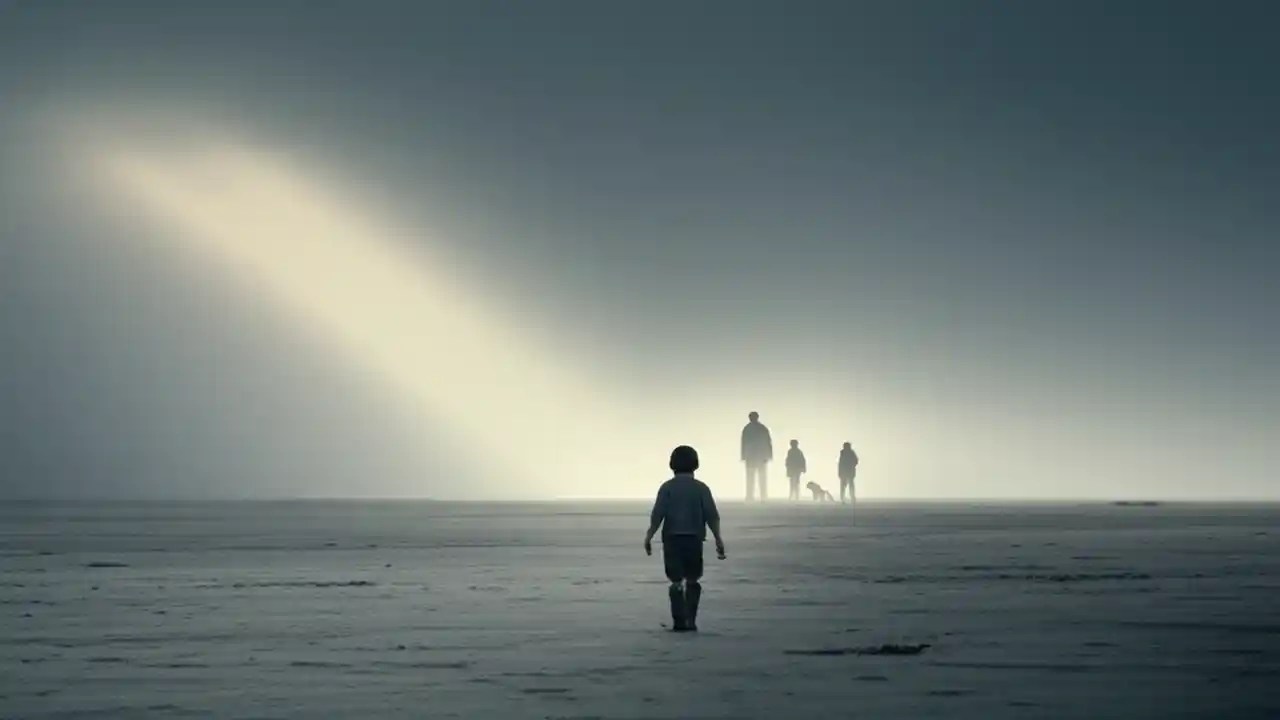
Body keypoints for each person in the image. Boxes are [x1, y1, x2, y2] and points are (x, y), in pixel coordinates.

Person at [644, 445, 727, 632]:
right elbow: (711, 515)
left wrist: (649, 535)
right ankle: (691, 618)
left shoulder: (667, 488)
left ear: (672, 464)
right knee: (693, 579)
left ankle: (678, 619)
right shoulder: (701, 488)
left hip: (672, 538)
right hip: (694, 539)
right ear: (695, 464)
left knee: (675, 580)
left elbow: (658, 514)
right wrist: (718, 538)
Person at [740, 411, 773, 501]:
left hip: (752, 456)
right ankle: (761, 496)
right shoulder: (762, 428)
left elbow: (744, 443)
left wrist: (743, 455)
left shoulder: (747, 429)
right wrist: (769, 455)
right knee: (760, 477)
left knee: (752, 477)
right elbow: (768, 443)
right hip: (759, 456)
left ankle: (751, 496)